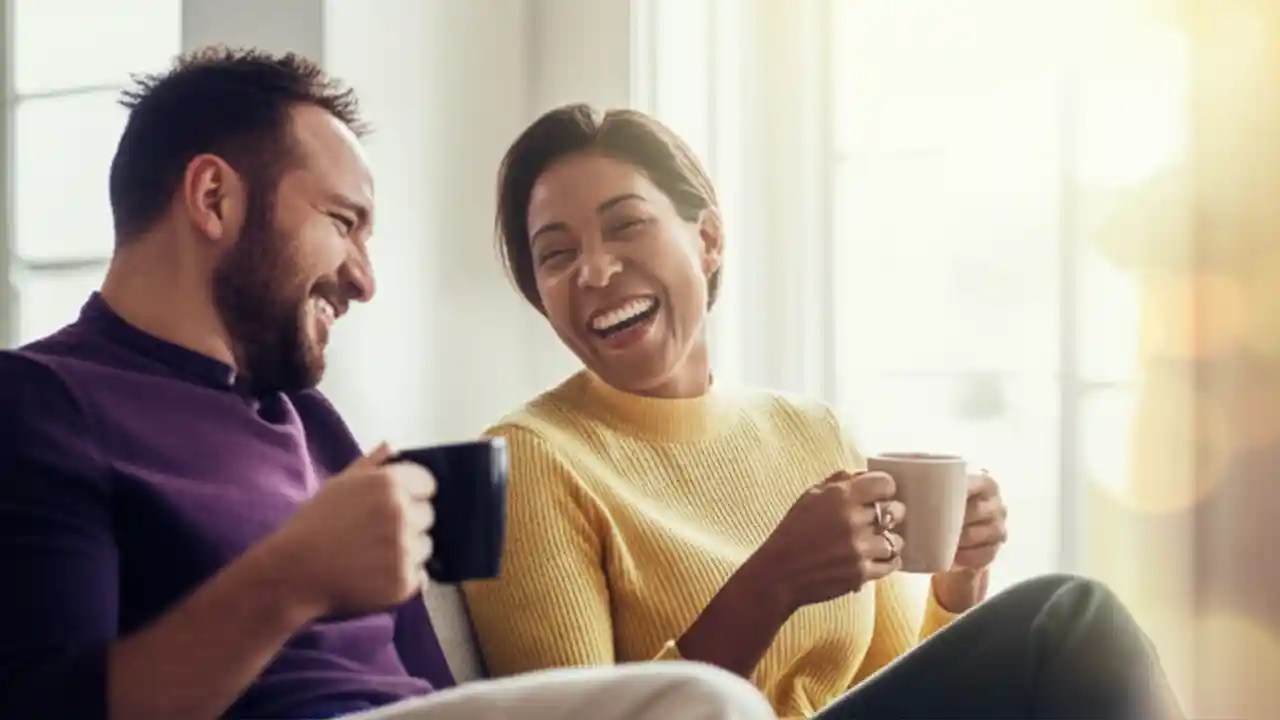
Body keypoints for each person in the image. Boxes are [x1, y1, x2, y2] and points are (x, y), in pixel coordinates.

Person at [0, 50, 775, 720]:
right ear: (214, 199)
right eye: (343, 222)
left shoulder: (307, 418)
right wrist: (293, 577)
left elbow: (430, 693)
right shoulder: (38, 402)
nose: (364, 281)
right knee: (703, 706)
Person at [460, 103, 1185, 720]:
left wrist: (957, 587)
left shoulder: (814, 433)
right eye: (556, 255)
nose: (594, 270)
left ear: (707, 240)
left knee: (1069, 628)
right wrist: (771, 582)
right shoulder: (527, 461)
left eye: (625, 226)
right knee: (1067, 617)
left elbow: (894, 683)